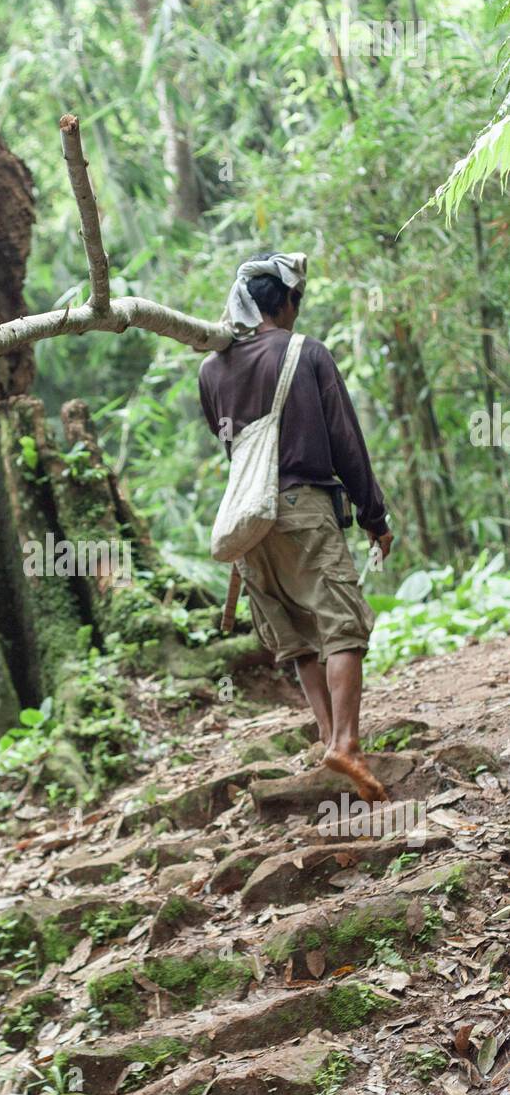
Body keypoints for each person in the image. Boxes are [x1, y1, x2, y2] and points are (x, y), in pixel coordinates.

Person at [199, 251, 393, 802]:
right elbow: (345, 443)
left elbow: (227, 439)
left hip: (248, 523)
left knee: (298, 639)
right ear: (284, 303)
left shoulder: (211, 370)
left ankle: (331, 739)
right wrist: (374, 517)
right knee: (343, 624)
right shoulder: (306, 353)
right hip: (304, 508)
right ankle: (347, 744)